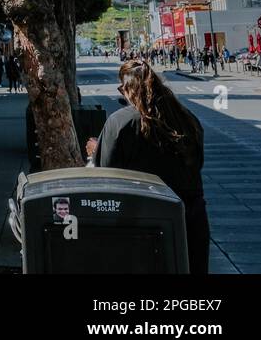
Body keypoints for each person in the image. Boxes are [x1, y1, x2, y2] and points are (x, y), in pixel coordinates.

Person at [85, 59, 209, 274]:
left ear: (127, 89)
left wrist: (96, 148)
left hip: (140, 219)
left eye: (121, 89)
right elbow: (196, 164)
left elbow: (105, 174)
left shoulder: (120, 122)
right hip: (190, 218)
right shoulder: (188, 118)